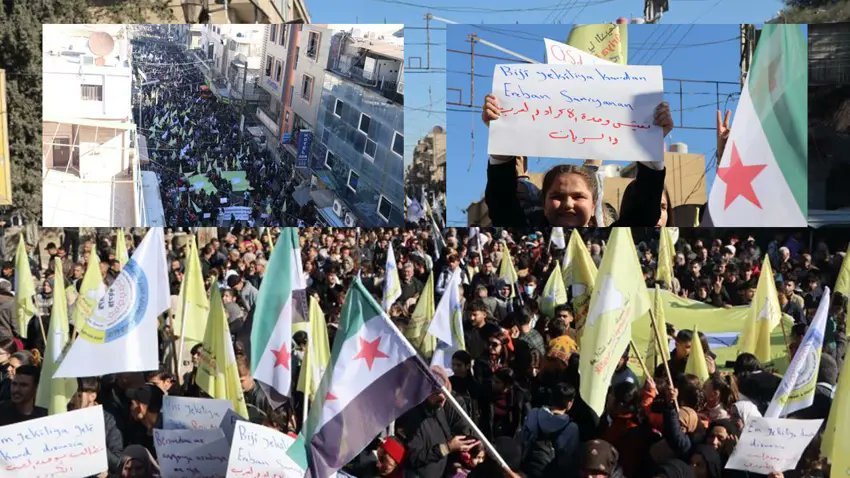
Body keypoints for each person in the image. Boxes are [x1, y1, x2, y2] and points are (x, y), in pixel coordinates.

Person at [481, 94, 674, 227]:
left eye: (578, 197)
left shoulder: (615, 238)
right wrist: (501, 136)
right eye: (557, 197)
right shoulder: (522, 228)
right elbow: (501, 204)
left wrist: (651, 140)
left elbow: (645, 213)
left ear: (593, 205)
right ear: (544, 204)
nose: (568, 204)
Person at [403, 367, 476, 478]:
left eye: (445, 392)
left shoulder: (438, 410)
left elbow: (446, 438)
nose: (442, 397)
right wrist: (447, 448)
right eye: (436, 393)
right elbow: (415, 457)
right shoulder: (413, 416)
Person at [520, 382, 580, 478]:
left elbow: (522, 440)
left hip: (526, 470)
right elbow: (568, 461)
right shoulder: (571, 428)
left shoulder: (534, 413)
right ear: (570, 404)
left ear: (551, 398)